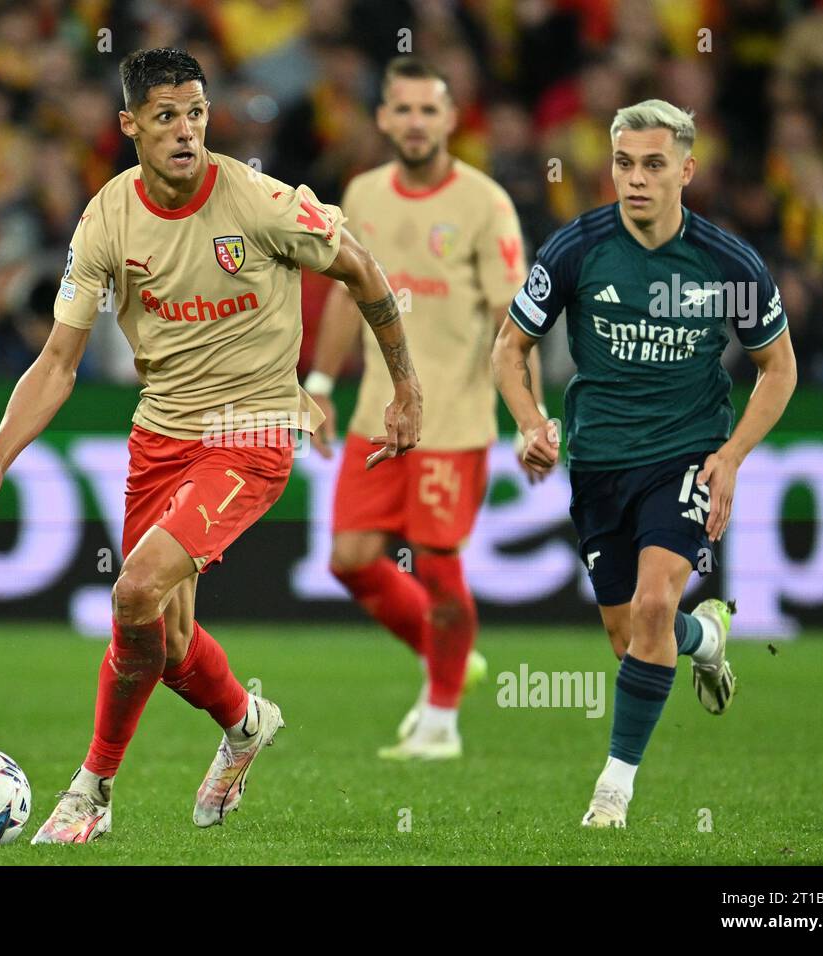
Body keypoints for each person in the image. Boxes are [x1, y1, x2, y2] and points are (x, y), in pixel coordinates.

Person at [0, 48, 422, 843]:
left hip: (254, 433)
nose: (185, 131)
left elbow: (364, 272)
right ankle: (244, 721)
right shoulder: (106, 218)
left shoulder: (260, 202)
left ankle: (91, 791)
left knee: (133, 592)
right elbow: (58, 361)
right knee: (162, 641)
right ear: (130, 125)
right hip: (161, 435)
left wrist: (404, 387)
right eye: (166, 116)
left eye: (196, 113)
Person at [491, 99, 797, 828]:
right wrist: (531, 422)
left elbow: (777, 369)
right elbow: (509, 348)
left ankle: (613, 790)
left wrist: (730, 456)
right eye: (624, 163)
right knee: (636, 639)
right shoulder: (577, 247)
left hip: (685, 454)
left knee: (657, 604)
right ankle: (708, 637)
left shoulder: (730, 263)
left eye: (654, 164)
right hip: (599, 460)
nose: (636, 179)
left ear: (687, 170)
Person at [306, 56, 539, 760]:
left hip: (454, 419)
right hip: (375, 416)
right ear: (383, 118)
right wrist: (319, 381)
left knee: (438, 566)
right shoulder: (363, 193)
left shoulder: (485, 203)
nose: (414, 122)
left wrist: (529, 416)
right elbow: (351, 293)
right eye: (401, 110)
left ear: (449, 119)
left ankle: (440, 721)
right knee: (349, 559)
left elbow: (512, 317)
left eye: (427, 110)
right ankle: (450, 658)